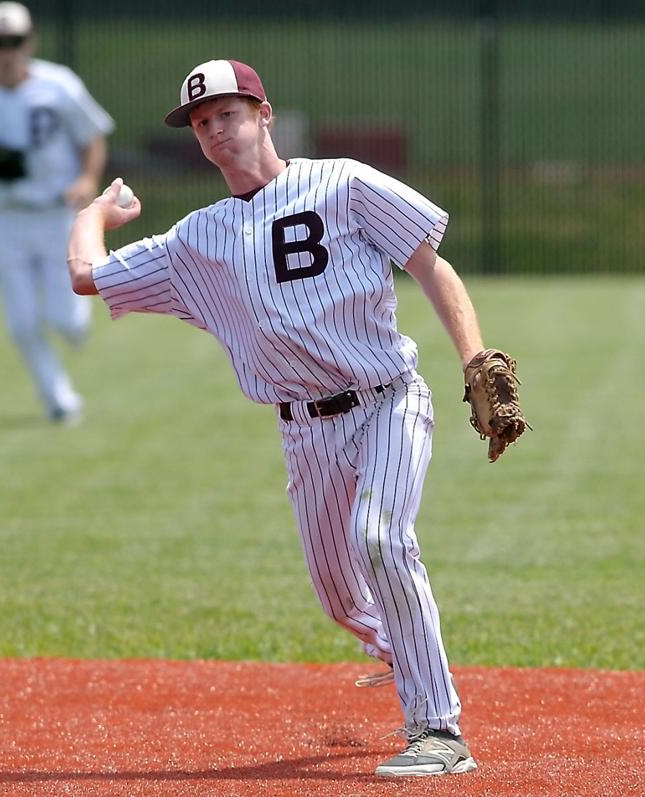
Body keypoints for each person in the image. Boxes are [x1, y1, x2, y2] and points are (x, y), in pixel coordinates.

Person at [66, 59, 518, 778]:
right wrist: (93, 214)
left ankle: (439, 729)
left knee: (380, 536)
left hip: (387, 401)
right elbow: (87, 276)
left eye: (228, 113)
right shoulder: (197, 241)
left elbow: (431, 264)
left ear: (264, 113)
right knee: (341, 598)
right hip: (304, 430)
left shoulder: (342, 183)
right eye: (203, 122)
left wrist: (474, 359)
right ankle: (408, 653)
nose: (216, 130)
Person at [0, 2, 114, 424]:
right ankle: (58, 399)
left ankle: (75, 328)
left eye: (15, 41)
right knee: (20, 321)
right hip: (5, 216)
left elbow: (91, 137)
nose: (8, 51)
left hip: (55, 212)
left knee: (67, 319)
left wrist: (88, 180)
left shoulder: (59, 85)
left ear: (30, 41)